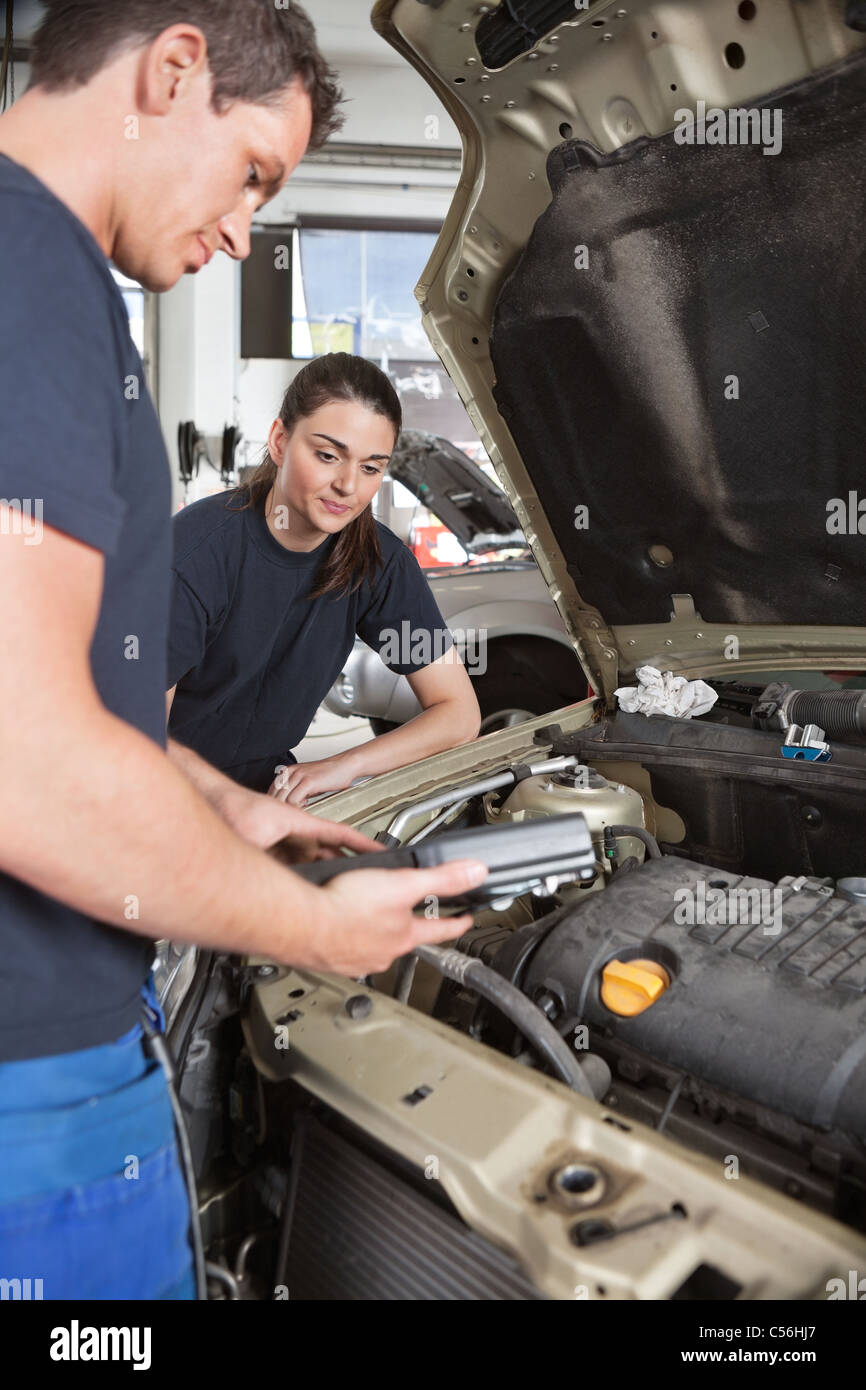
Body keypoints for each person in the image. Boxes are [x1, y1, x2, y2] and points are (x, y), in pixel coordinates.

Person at [0, 0, 487, 1301]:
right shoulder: (25, 278)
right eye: (255, 174)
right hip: (31, 1088)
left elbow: (59, 709)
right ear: (172, 71)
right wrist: (313, 929)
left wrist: (232, 810)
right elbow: (27, 766)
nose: (241, 233)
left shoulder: (50, 287)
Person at [166, 353, 481, 803]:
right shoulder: (193, 555)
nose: (348, 485)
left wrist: (342, 767)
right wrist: (236, 806)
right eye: (328, 455)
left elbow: (458, 714)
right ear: (279, 441)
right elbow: (134, 735)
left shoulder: (379, 562)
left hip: (271, 790)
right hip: (158, 790)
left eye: (371, 467)